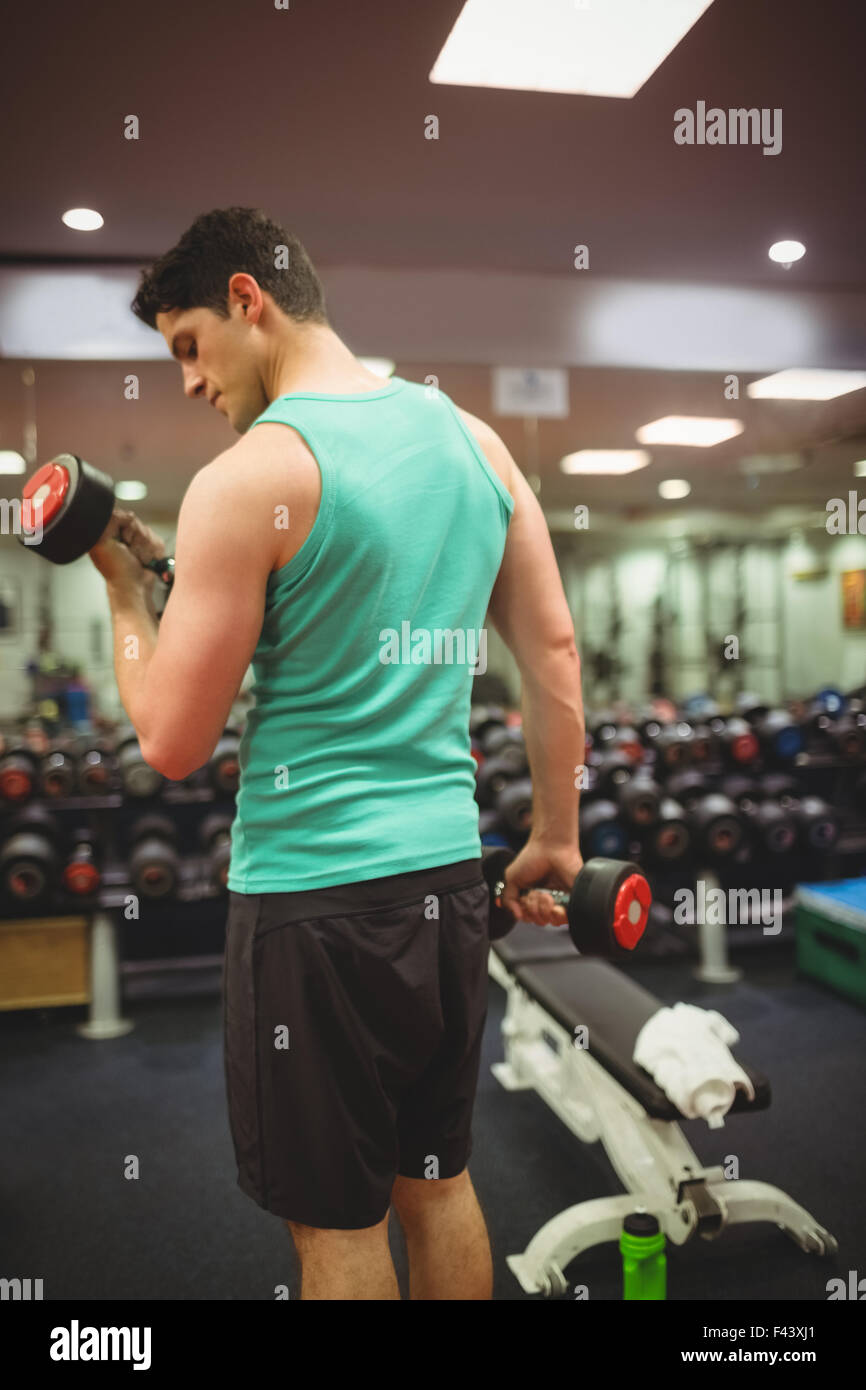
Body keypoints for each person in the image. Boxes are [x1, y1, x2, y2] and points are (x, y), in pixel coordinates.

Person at [88, 206, 585, 1300]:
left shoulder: (245, 479)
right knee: (437, 1186)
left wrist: (126, 602)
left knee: (337, 1228)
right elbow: (552, 649)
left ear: (247, 299)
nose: (188, 381)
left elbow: (169, 741)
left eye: (188, 346)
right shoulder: (477, 444)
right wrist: (556, 834)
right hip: (447, 889)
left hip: (313, 906)